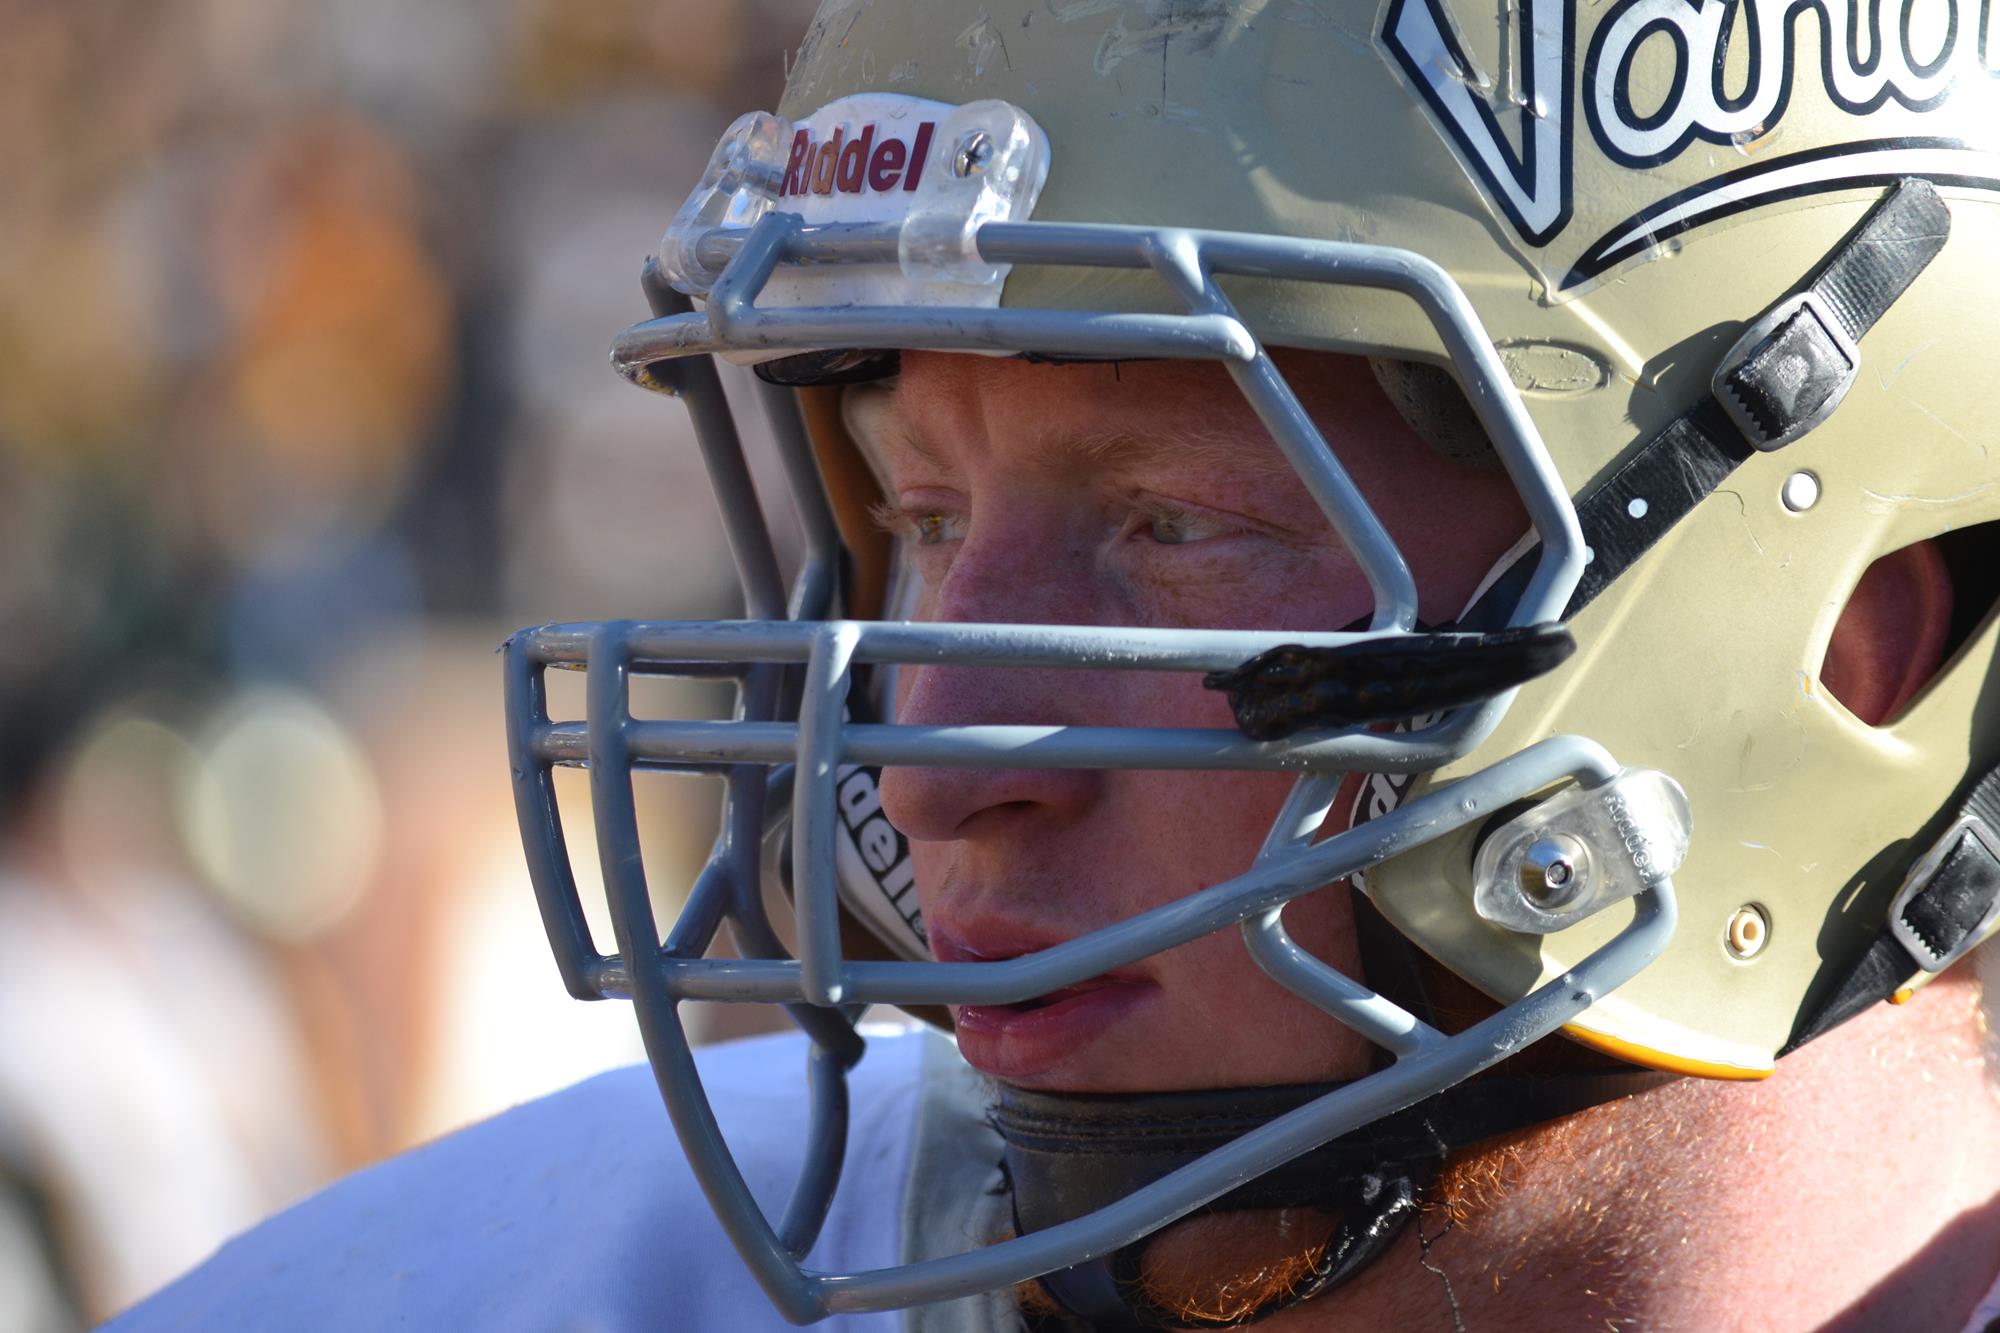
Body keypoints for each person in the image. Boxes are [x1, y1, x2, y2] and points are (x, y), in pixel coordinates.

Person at [116, 0, 2000, 1329]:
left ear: (1850, 628)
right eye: (918, 512)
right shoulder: (516, 1284)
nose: (930, 770)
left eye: (1179, 524)